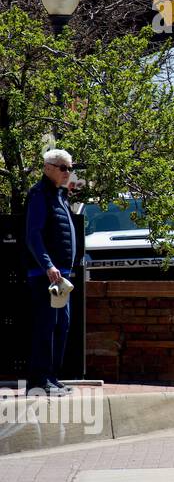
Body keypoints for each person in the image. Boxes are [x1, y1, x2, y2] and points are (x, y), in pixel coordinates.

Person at [25, 149, 80, 396]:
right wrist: (47, 264)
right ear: (48, 167)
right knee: (46, 326)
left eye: (69, 168)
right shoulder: (39, 195)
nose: (67, 172)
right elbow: (33, 234)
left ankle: (51, 378)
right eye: (63, 167)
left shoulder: (60, 196)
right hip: (45, 275)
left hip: (62, 276)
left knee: (61, 326)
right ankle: (38, 381)